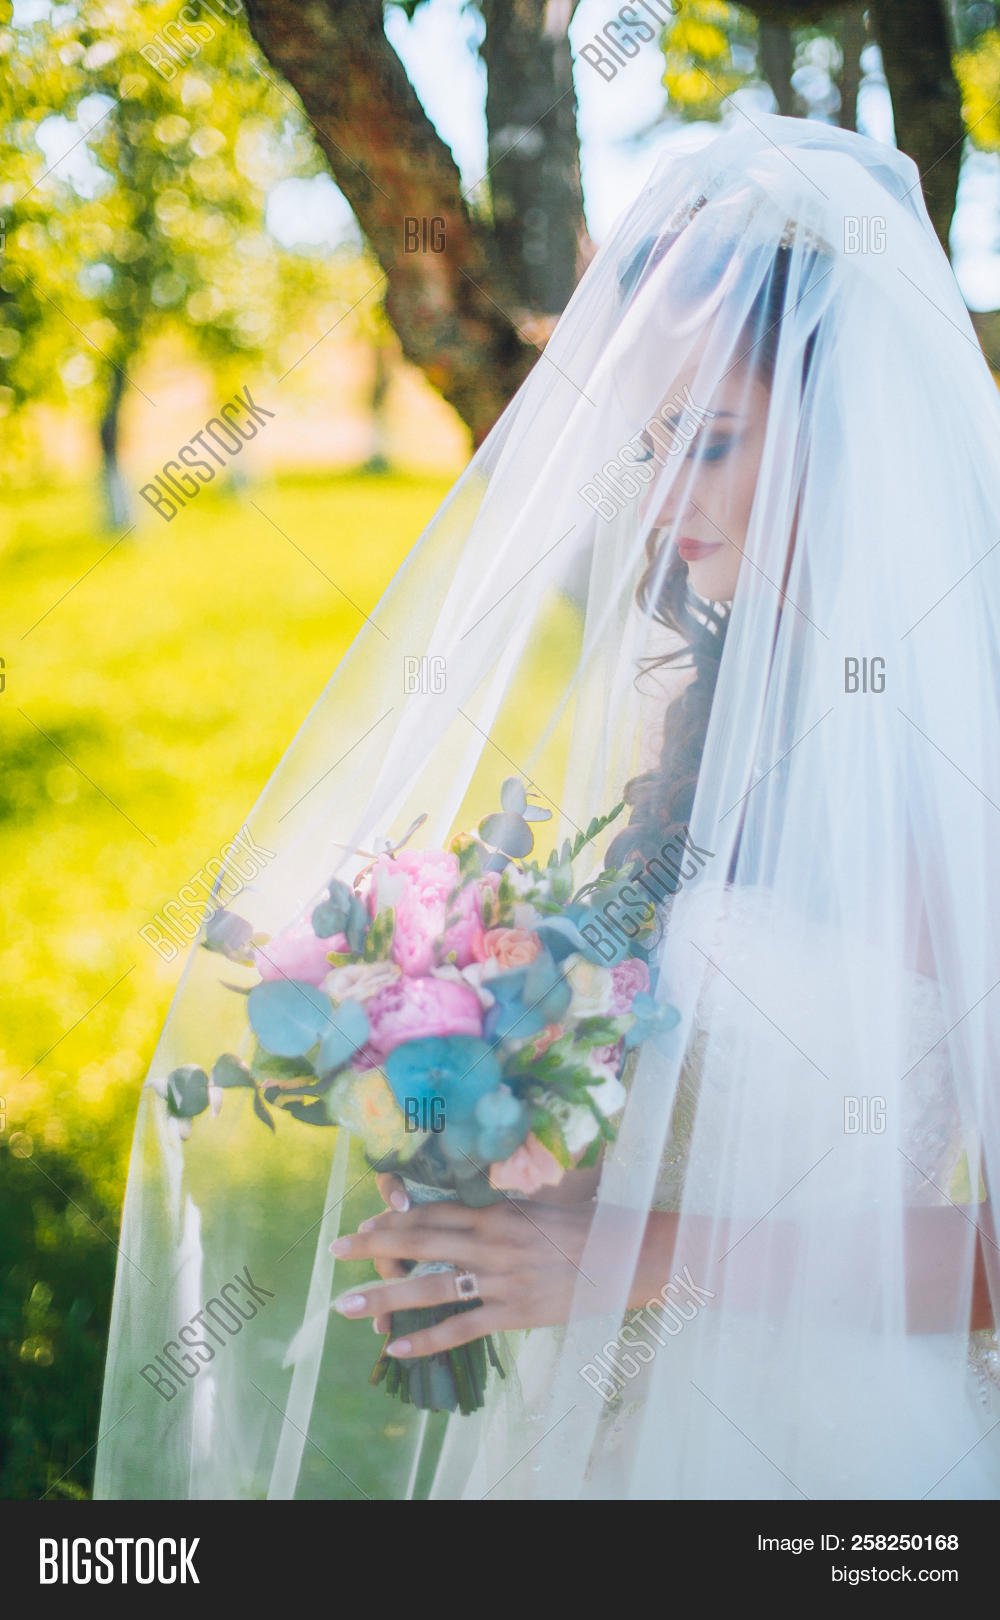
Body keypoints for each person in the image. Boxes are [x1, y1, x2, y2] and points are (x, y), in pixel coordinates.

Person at [95, 113, 1000, 1501]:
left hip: (846, 1444)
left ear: (847, 427)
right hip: (619, 1406)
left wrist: (631, 1251)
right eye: (649, 445)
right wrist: (518, 1174)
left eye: (709, 444)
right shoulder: (704, 722)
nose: (661, 503)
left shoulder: (949, 769)